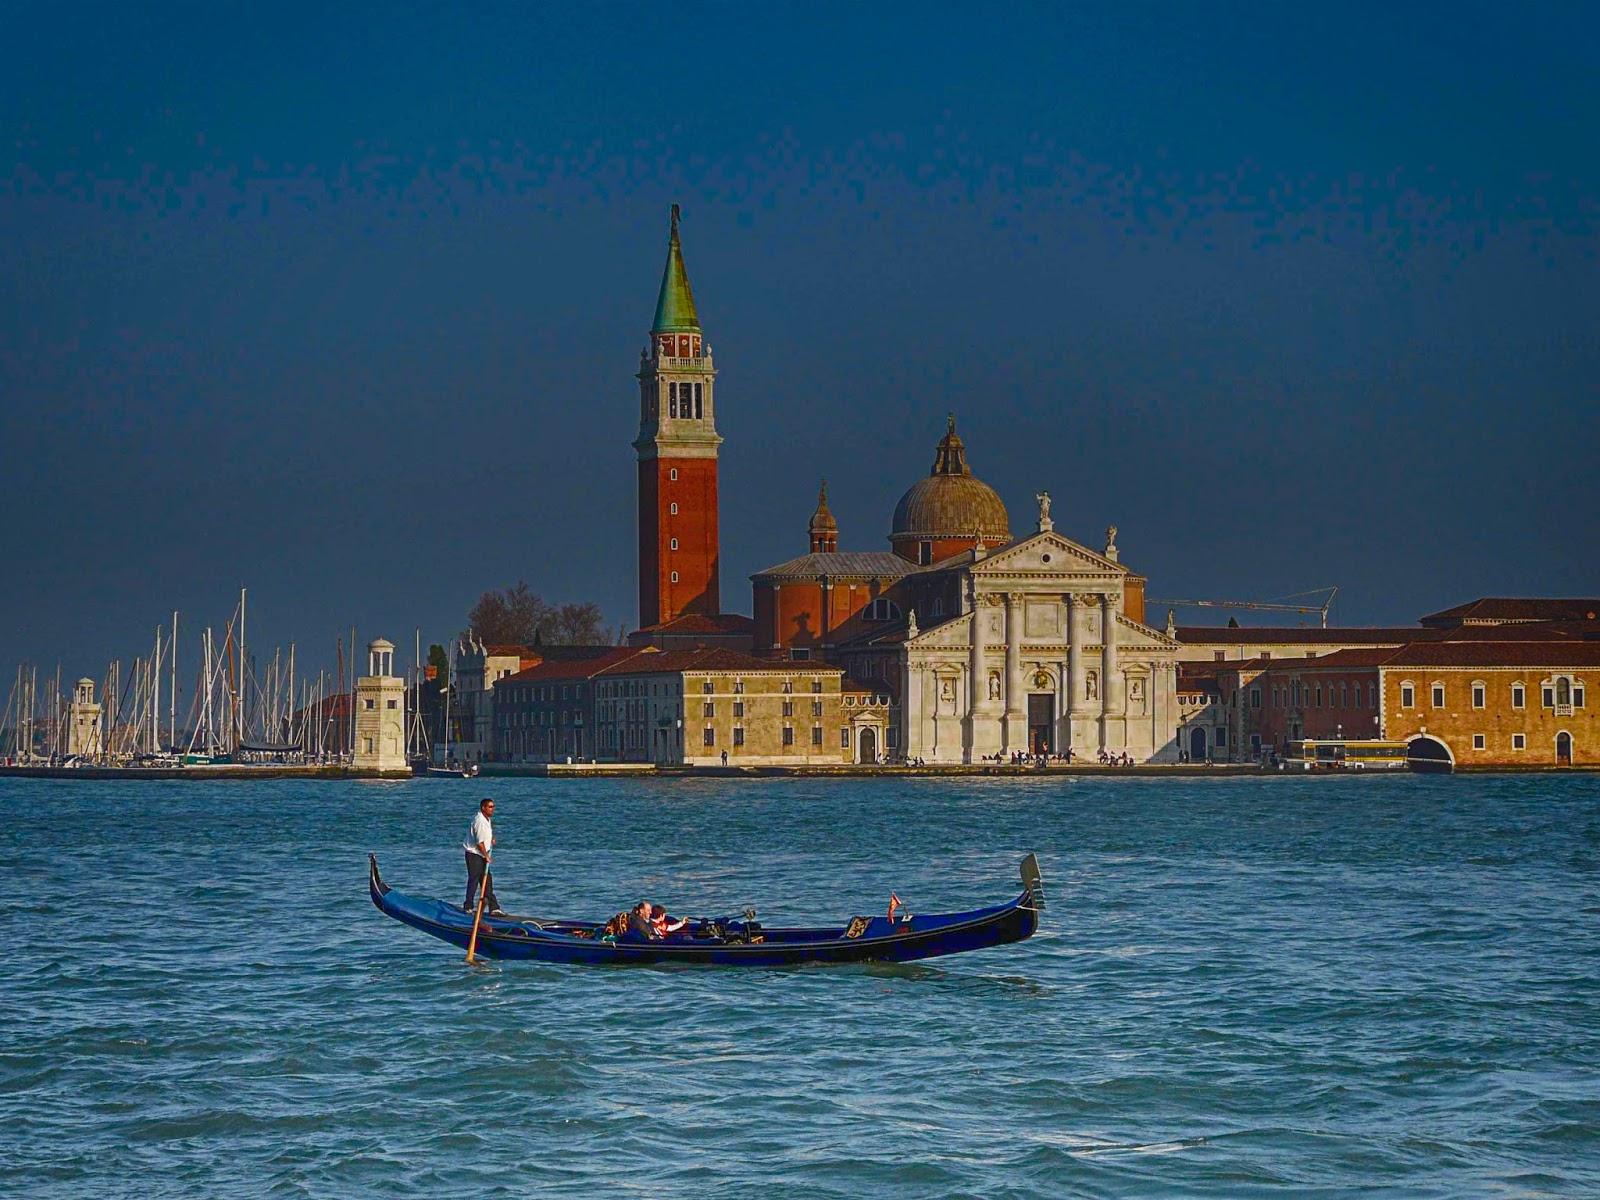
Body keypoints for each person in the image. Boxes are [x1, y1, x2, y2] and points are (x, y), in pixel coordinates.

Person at [463, 797, 502, 915]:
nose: (493, 809)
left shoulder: (487, 819)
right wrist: (486, 856)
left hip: (482, 854)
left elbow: (484, 837)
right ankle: (468, 906)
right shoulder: (479, 821)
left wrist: (490, 839)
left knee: (487, 881)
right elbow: (479, 843)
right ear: (483, 808)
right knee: (474, 880)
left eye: (493, 807)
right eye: (490, 807)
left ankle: (493, 908)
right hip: (475, 855)